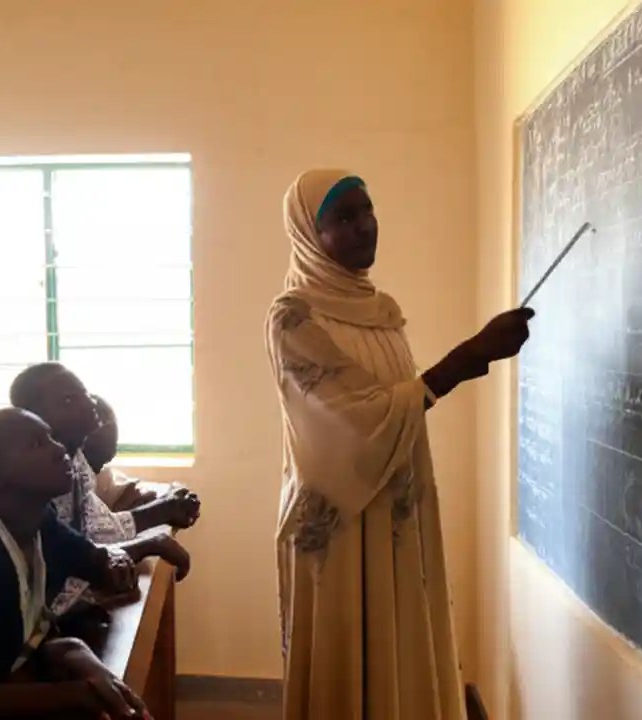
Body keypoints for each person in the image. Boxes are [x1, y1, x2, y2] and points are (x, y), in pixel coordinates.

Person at [266, 170, 534, 720]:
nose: (365, 227)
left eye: (368, 211)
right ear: (307, 235)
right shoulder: (294, 317)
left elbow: (395, 406)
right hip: (338, 525)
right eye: (343, 218)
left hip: (394, 514)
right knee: (347, 670)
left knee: (397, 652)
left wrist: (457, 366)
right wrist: (461, 362)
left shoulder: (381, 311)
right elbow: (345, 420)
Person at [0, 407, 150, 720]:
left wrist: (88, 664)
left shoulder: (38, 523)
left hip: (7, 671)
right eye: (37, 444)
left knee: (93, 672)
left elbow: (93, 564)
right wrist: (77, 694)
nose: (59, 449)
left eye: (50, 437)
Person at [9, 364, 199, 543]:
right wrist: (158, 523)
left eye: (85, 394)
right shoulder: (36, 477)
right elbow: (81, 546)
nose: (88, 403)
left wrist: (166, 507)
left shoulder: (75, 461)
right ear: (33, 419)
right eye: (68, 400)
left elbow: (97, 526)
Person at [83, 395, 188, 513]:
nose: (111, 456)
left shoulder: (103, 474)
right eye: (103, 448)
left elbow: (133, 492)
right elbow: (94, 527)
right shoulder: (73, 481)